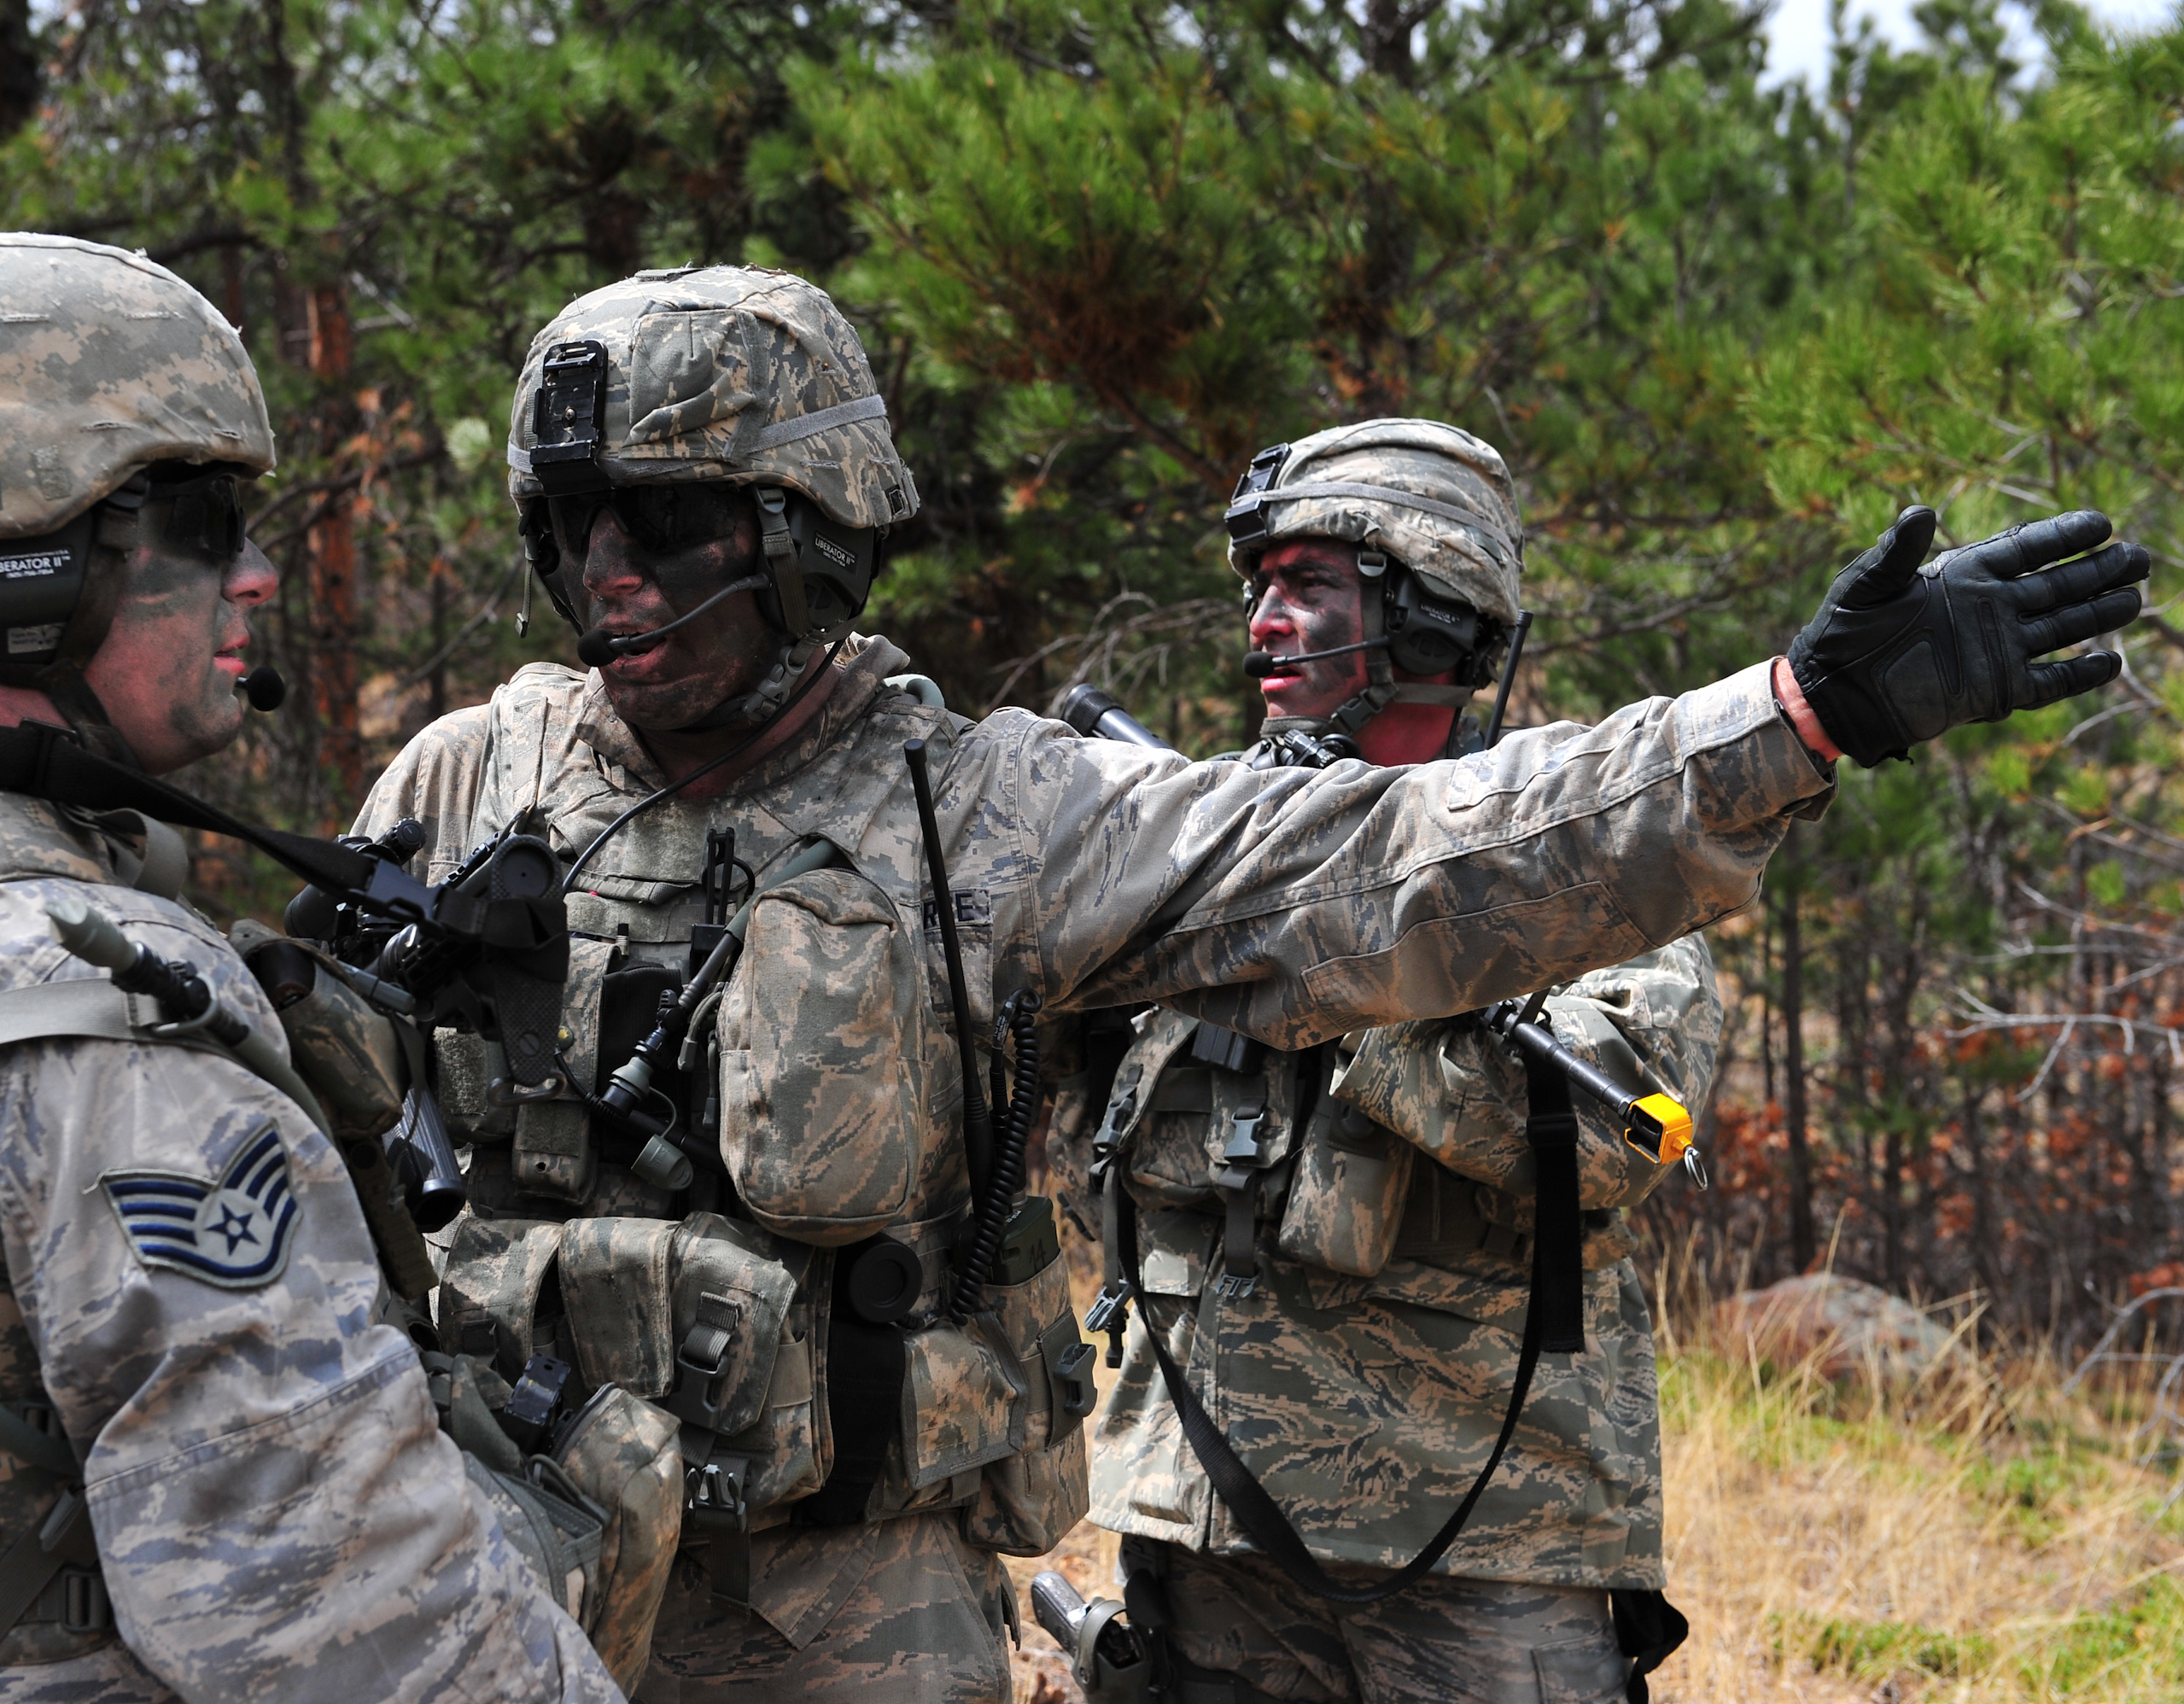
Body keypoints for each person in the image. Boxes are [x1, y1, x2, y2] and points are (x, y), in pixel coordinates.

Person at [347, 264, 2145, 1703]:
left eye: (663, 522)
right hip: (518, 1563)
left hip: (874, 1610)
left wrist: (1793, 722)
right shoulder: (462, 781)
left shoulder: (990, 814)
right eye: (574, 523)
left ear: (804, 525)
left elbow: (1425, 873)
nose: (611, 575)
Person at [0, 234, 620, 1702]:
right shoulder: (102, 1021)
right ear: (32, 573)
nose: (262, 575)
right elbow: (356, 1635)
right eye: (210, 523)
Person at [1079, 419, 1714, 1704]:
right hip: (1204, 1518)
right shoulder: (1190, 843)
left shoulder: (1581, 866)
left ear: (1430, 621)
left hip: (1480, 1545)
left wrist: (1347, 960)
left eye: (1309, 587)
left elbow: (1621, 1131)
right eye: (1260, 587)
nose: (1263, 620)